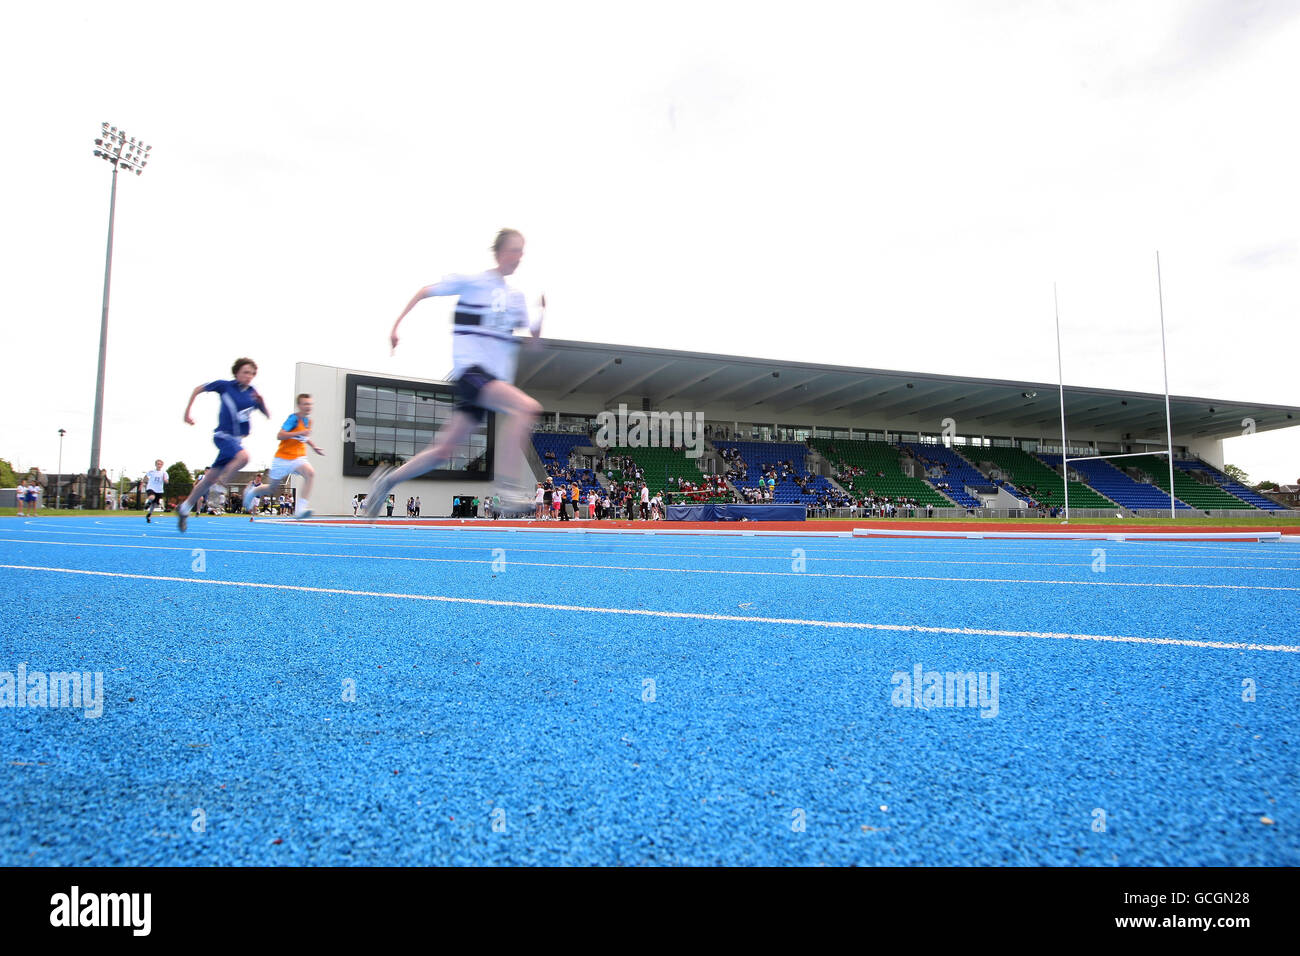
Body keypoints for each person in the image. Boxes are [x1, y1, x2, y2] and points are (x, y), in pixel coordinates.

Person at [365, 229, 545, 519]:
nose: (519, 256)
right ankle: (508, 490)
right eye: (514, 249)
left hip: (488, 381)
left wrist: (541, 314)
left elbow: (534, 337)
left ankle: (386, 481)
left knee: (441, 452)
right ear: (499, 252)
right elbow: (425, 291)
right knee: (527, 408)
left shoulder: (515, 298)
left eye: (522, 251)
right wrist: (396, 326)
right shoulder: (475, 282)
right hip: (473, 372)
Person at [176, 358, 269, 532]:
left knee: (207, 480)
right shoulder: (224, 386)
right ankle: (219, 487)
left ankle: (184, 508)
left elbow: (267, 414)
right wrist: (187, 413)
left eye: (252, 373)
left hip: (235, 441)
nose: (249, 376)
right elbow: (197, 389)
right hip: (222, 436)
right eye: (245, 372)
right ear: (236, 372)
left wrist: (261, 402)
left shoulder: (252, 393)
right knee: (244, 457)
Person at [243, 393, 326, 519]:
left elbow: (304, 437)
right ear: (299, 406)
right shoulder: (293, 419)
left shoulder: (308, 421)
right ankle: (253, 491)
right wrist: (298, 432)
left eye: (310, 404)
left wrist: (314, 446)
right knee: (271, 489)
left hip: (298, 458)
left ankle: (300, 510)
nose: (308, 406)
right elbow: (280, 435)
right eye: (305, 404)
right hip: (283, 458)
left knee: (310, 473)